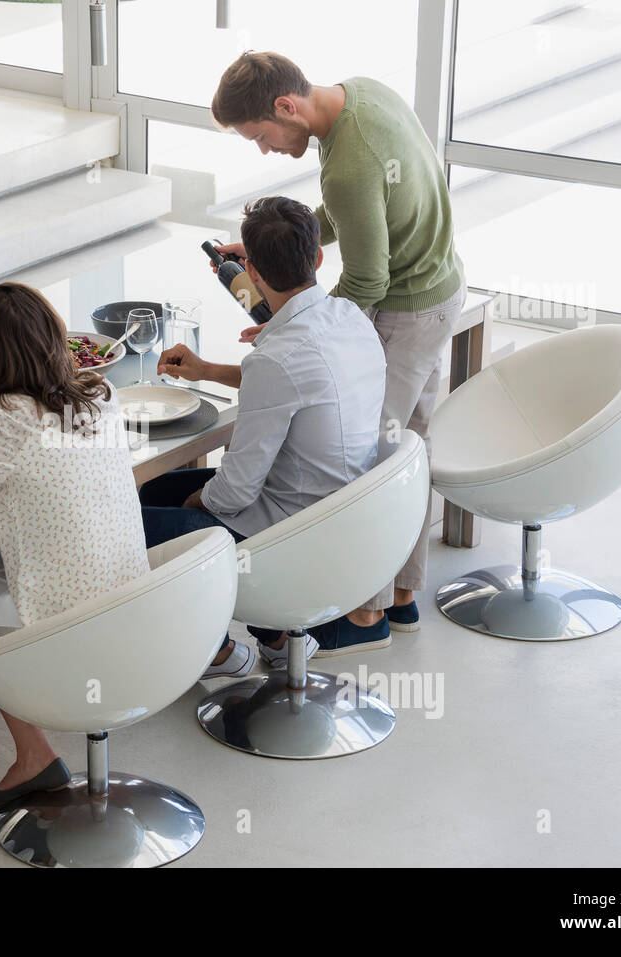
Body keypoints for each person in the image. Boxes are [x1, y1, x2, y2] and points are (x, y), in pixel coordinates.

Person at [210, 52, 466, 632]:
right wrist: (265, 252)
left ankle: (363, 610)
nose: (265, 149)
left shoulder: (347, 164)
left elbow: (368, 279)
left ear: (286, 106)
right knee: (407, 452)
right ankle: (400, 595)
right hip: (442, 287)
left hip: (405, 309)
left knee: (370, 463)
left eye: (262, 135)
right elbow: (351, 213)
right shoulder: (360, 96)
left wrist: (299, 324)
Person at [0, 283, 150, 806]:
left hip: (69, 635)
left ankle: (33, 756)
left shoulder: (4, 414)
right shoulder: (102, 394)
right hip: (138, 616)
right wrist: (26, 516)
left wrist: (7, 521)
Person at [149, 196, 386, 664]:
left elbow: (234, 492)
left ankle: (221, 655)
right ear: (317, 258)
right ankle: (279, 643)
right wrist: (208, 371)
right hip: (350, 522)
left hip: (293, 543)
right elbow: (296, 385)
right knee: (152, 490)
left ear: (251, 272)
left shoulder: (276, 358)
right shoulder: (350, 319)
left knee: (126, 521)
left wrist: (199, 502)